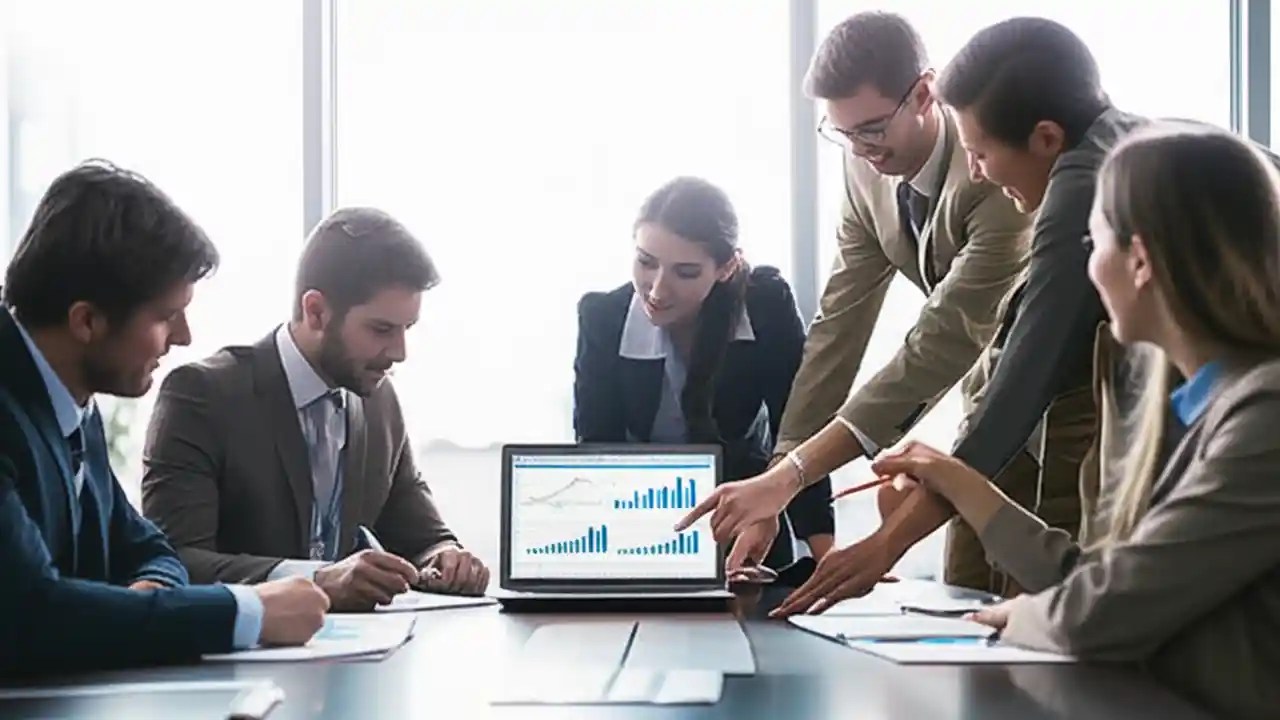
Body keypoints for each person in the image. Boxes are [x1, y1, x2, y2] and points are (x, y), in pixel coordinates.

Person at [678, 17, 1136, 604]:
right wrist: (781, 480)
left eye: (871, 130)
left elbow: (941, 344)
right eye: (843, 135)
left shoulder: (1013, 177)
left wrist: (883, 543)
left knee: (1047, 596)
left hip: (1076, 393)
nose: (862, 154)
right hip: (999, 379)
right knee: (968, 583)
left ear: (925, 95)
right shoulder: (867, 167)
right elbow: (839, 326)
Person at [868, 123, 1280, 720]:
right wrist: (957, 480)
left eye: (1093, 244)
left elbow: (1103, 611)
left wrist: (1029, 616)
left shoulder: (1263, 419)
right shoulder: (1202, 408)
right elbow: (1104, 579)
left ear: (1139, 260)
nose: (1086, 272)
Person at [0, 160, 328, 674]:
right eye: (165, 316)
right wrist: (250, 611)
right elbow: (30, 614)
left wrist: (148, 603)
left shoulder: (71, 406)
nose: (184, 338)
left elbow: (151, 549)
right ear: (86, 320)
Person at [142, 207, 489, 611]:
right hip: (242, 658)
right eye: (381, 329)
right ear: (316, 312)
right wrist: (316, 580)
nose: (399, 353)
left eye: (406, 329)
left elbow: (421, 535)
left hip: (360, 658)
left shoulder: (380, 401)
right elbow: (176, 562)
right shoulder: (202, 396)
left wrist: (445, 557)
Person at [573, 176, 831, 575]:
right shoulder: (602, 317)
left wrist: (826, 557)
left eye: (686, 272)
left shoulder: (764, 305)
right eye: (646, 262)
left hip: (749, 512)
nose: (657, 290)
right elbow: (597, 449)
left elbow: (798, 427)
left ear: (726, 266)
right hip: (640, 518)